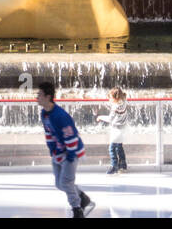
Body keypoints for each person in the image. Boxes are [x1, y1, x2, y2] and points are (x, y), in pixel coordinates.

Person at [37, 80, 94, 217]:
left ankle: (77, 209)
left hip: (71, 152)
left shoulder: (60, 115)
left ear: (48, 97)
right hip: (58, 152)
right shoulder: (44, 114)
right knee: (59, 183)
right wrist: (52, 150)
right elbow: (48, 133)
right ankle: (83, 198)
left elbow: (71, 136)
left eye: (39, 95)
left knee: (66, 182)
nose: (37, 97)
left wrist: (69, 155)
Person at [97, 86, 129, 174]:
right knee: (119, 147)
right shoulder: (124, 102)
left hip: (117, 130)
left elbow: (110, 119)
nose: (109, 99)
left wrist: (100, 117)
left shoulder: (115, 107)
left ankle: (114, 165)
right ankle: (123, 164)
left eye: (110, 98)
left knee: (112, 148)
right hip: (123, 128)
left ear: (116, 98)